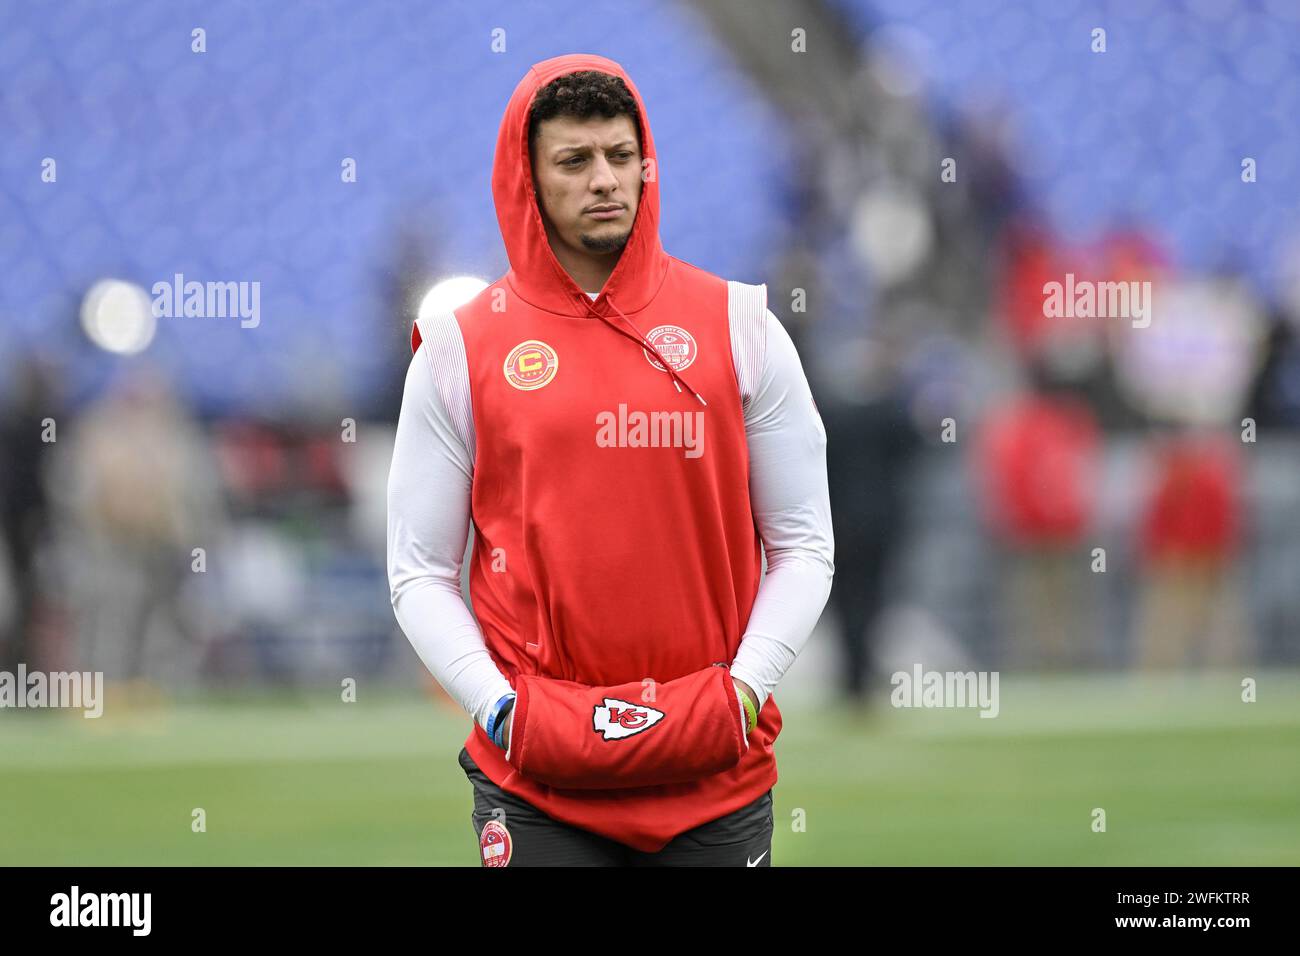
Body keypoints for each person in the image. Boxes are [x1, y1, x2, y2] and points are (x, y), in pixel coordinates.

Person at [387, 54, 833, 866]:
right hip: (538, 780)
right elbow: (417, 568)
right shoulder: (460, 347)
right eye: (574, 161)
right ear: (527, 177)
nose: (605, 180)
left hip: (716, 771)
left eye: (621, 157)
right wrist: (498, 708)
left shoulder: (742, 325)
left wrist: (744, 690)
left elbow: (804, 542)